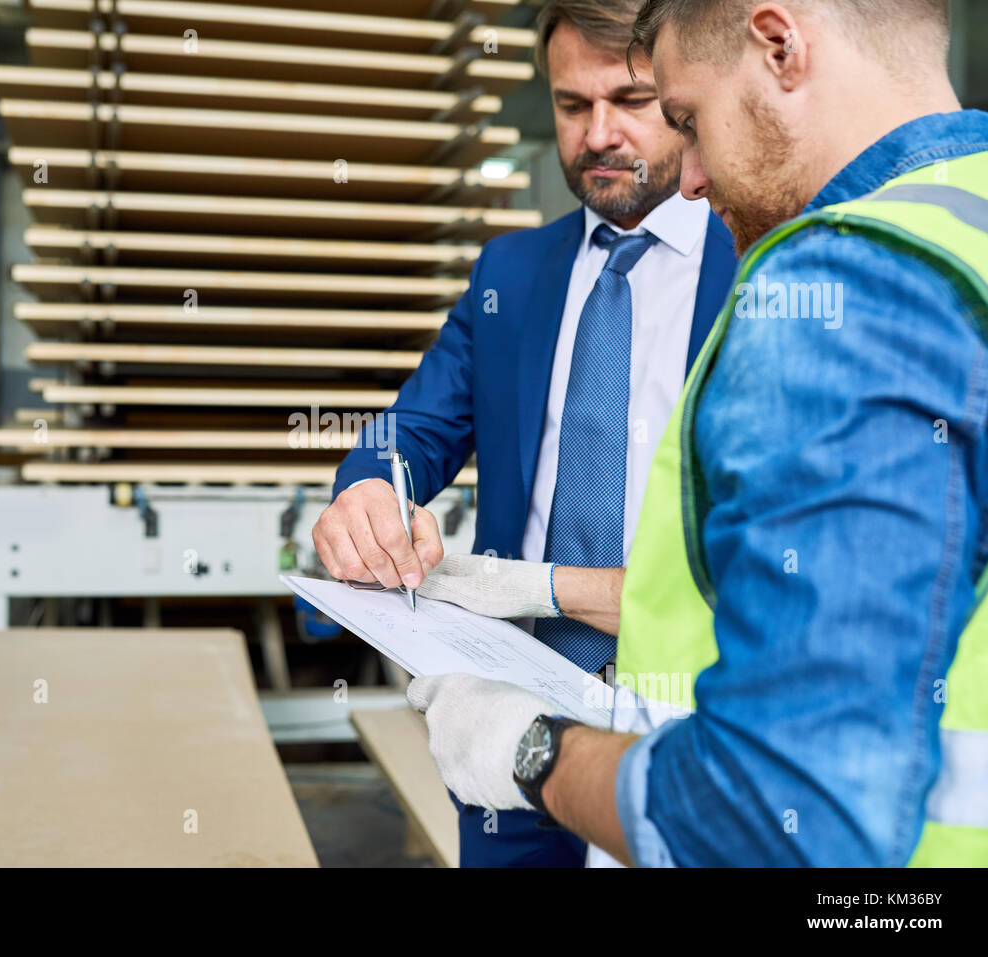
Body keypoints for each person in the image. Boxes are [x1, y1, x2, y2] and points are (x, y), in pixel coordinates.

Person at [410, 0, 988, 866]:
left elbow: (773, 813)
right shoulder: (966, 223)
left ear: (779, 45)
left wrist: (531, 752)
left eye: (684, 118)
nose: (687, 178)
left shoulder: (839, 291)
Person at [312, 0, 736, 867]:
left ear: (686, 99)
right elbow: (415, 427)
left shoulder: (758, 265)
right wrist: (368, 488)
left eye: (630, 99)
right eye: (572, 106)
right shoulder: (513, 273)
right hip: (508, 732)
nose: (599, 134)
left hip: (690, 732)